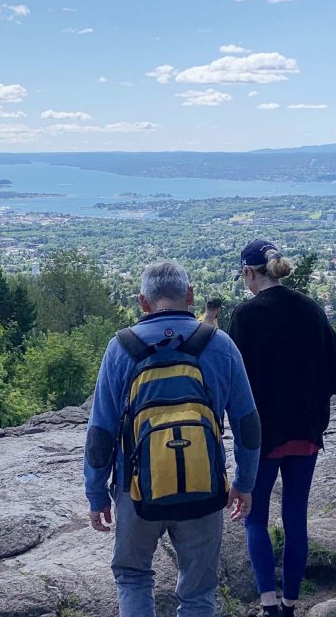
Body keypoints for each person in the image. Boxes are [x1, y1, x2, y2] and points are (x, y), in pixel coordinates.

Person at [83, 261, 262, 617]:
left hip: (134, 489)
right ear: (190, 295)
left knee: (133, 576)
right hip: (204, 485)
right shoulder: (220, 345)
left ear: (143, 302)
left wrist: (96, 493)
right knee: (199, 590)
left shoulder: (121, 348)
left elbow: (100, 432)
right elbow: (248, 424)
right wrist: (244, 483)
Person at [227, 239, 336, 617]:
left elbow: (234, 385)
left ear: (249, 273)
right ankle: (290, 604)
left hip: (261, 437)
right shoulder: (310, 308)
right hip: (305, 433)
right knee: (295, 518)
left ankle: (268, 605)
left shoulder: (245, 317)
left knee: (255, 518)